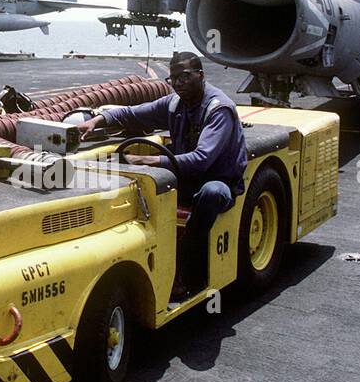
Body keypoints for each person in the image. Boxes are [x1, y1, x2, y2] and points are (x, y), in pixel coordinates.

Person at [77, 51, 247, 295]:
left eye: (185, 77)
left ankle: (190, 272)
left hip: (218, 180)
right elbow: (132, 113)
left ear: (201, 75)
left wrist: (146, 160)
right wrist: (98, 119)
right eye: (174, 78)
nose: (179, 83)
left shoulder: (219, 110)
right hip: (184, 179)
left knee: (211, 194)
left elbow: (201, 160)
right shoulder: (175, 103)